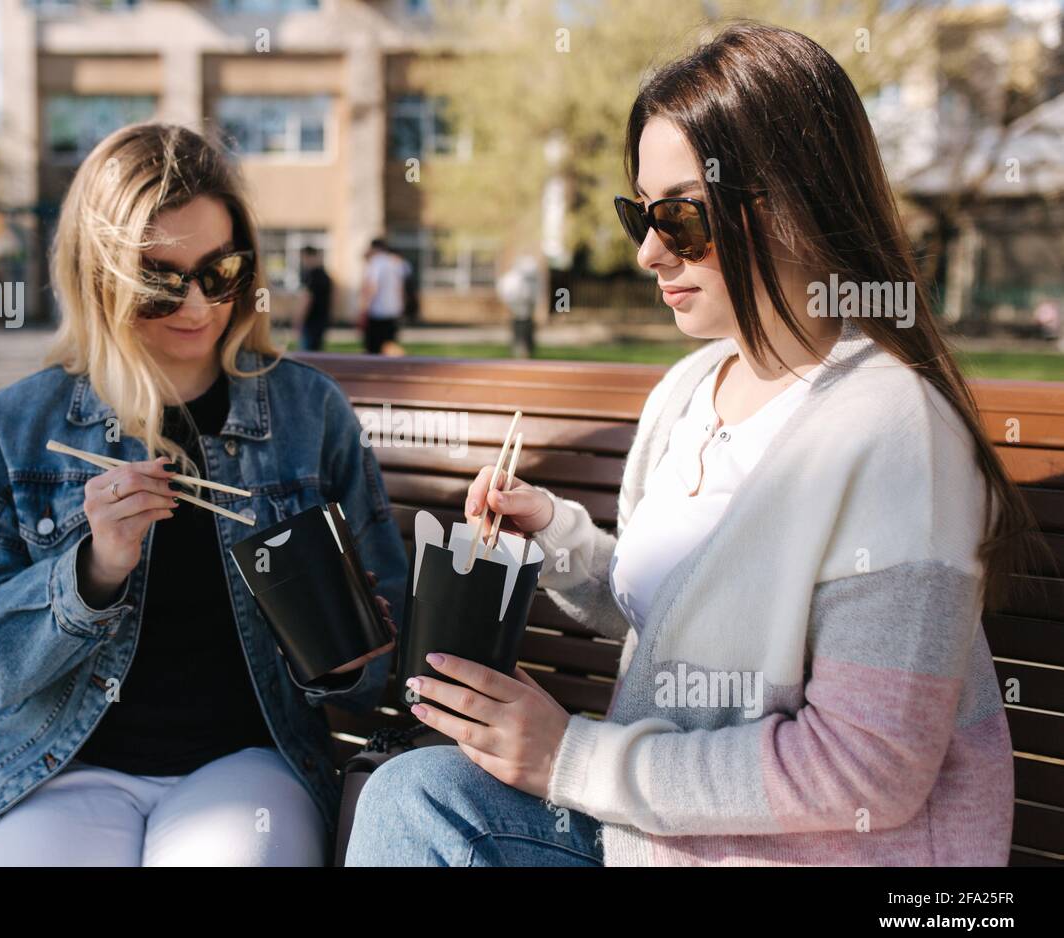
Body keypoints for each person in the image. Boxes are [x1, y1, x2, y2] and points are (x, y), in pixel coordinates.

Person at [345, 21, 1044, 867]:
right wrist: (561, 544)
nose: (646, 251)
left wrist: (568, 757)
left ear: (791, 203)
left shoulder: (896, 434)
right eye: (640, 213)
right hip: (661, 838)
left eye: (678, 217)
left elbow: (868, 772)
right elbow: (673, 626)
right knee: (411, 793)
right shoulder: (688, 393)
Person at [0, 123, 407, 866]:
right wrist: (90, 575)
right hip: (59, 763)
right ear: (99, 276)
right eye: (160, 280)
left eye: (221, 270)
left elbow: (387, 640)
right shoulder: (24, 424)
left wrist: (343, 654)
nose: (197, 305)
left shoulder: (310, 416)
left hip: (248, 761)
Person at [358, 237, 409, 355]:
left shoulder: (375, 263)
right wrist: (401, 307)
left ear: (374, 248)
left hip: (377, 312)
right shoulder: (395, 263)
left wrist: (363, 308)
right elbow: (400, 288)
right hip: (393, 310)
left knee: (373, 348)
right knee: (390, 345)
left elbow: (372, 287)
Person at [296, 245, 332, 351]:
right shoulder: (325, 275)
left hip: (311, 321)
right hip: (321, 319)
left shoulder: (312, 276)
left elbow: (307, 299)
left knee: (306, 353)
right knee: (316, 351)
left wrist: (298, 319)